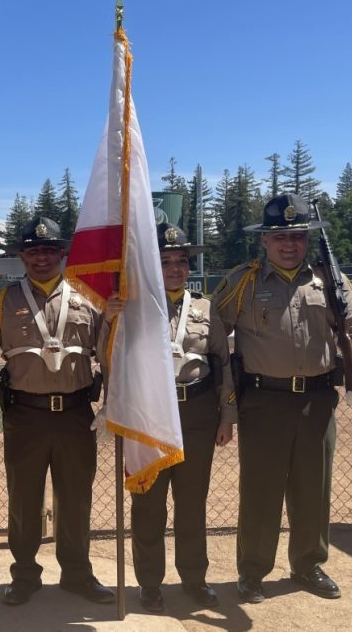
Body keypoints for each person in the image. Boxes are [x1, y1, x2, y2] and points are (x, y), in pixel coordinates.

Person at [211, 193, 352, 604]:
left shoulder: (329, 281)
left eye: (298, 236)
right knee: (260, 492)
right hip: (263, 402)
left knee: (313, 490)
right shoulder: (243, 282)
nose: (290, 244)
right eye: (281, 236)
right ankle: (253, 571)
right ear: (264, 240)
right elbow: (211, 335)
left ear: (307, 239)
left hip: (317, 402)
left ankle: (308, 565)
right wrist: (223, 402)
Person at [107, 223, 235, 613]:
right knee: (148, 504)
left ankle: (194, 578)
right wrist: (111, 321)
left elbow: (223, 364)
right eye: (165, 262)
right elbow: (108, 359)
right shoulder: (133, 308)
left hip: (197, 412)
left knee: (192, 503)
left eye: (181, 261)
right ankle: (149, 583)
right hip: (149, 414)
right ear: (151, 266)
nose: (176, 268)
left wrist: (226, 416)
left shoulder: (206, 309)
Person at [0, 215, 116, 606]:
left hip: (76, 414)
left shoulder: (88, 297)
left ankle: (77, 574)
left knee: (76, 497)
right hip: (25, 415)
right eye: (33, 251)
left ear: (63, 254)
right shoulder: (2, 300)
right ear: (21, 256)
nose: (41, 258)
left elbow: (110, 352)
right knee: (24, 499)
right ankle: (24, 575)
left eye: (49, 250)